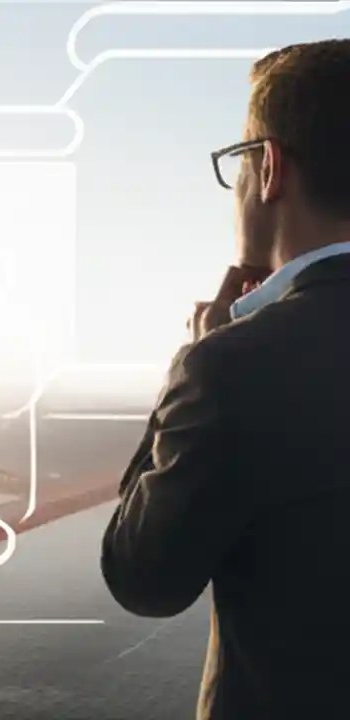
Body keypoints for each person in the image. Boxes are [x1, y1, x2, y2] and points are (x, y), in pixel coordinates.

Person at [100, 39, 350, 719]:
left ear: (268, 168)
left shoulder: (231, 369)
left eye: (236, 163)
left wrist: (190, 369)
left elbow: (141, 578)